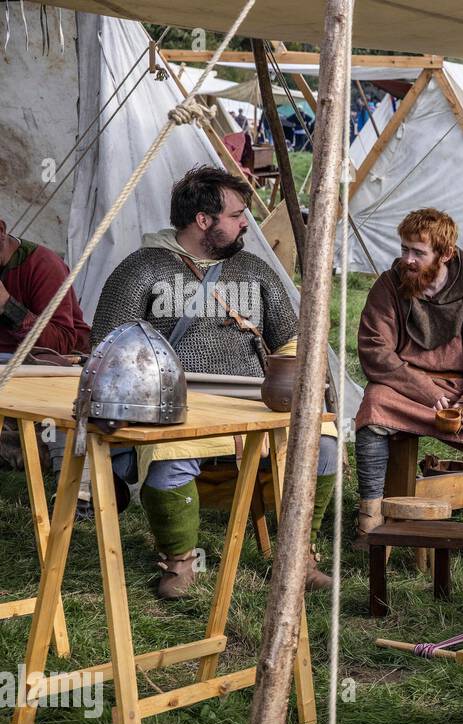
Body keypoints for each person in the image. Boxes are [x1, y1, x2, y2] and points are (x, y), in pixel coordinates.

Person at [91, 165, 338, 598]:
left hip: (253, 403)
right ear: (203, 220)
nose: (246, 222)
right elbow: (111, 346)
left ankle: (299, 556)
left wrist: (293, 376)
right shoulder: (142, 269)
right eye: (237, 214)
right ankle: (179, 562)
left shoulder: (254, 270)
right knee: (169, 457)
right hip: (179, 405)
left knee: (326, 446)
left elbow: (293, 343)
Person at [352, 208, 463, 545]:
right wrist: (426, 392)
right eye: (404, 249)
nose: (408, 260)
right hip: (405, 388)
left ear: (446, 254)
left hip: (461, 392)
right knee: (373, 406)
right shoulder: (389, 285)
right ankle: (369, 518)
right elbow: (375, 349)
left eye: (418, 252)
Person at [0, 217, 90, 356]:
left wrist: (7, 307)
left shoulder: (44, 265)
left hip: (57, 370)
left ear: (1, 230)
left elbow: (62, 342)